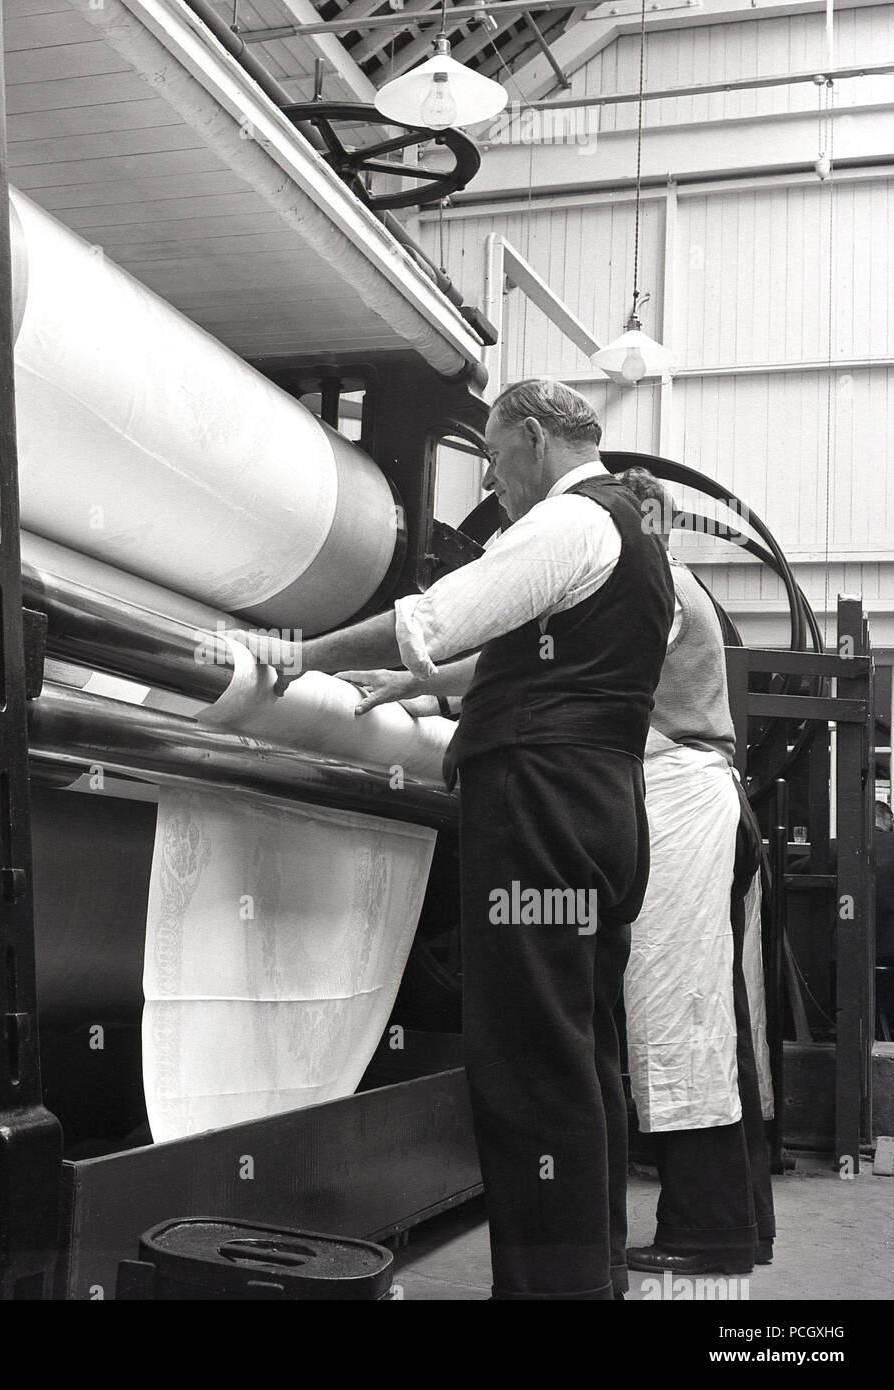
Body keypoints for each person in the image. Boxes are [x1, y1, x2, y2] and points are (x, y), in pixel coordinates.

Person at [234, 378, 674, 1299]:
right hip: (599, 810)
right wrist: (422, 690)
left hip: (538, 808)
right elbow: (551, 647)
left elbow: (428, 617)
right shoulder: (628, 538)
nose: (491, 475)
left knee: (524, 1062)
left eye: (491, 451)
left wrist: (298, 656)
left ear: (530, 435)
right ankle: (587, 1279)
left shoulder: (563, 523)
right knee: (577, 1050)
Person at [613, 467, 776, 1275]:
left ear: (648, 515)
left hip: (680, 793)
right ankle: (729, 1225)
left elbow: (590, 684)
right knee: (705, 1017)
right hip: (692, 794)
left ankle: (704, 1236)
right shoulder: (671, 585)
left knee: (682, 1012)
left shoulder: (658, 586)